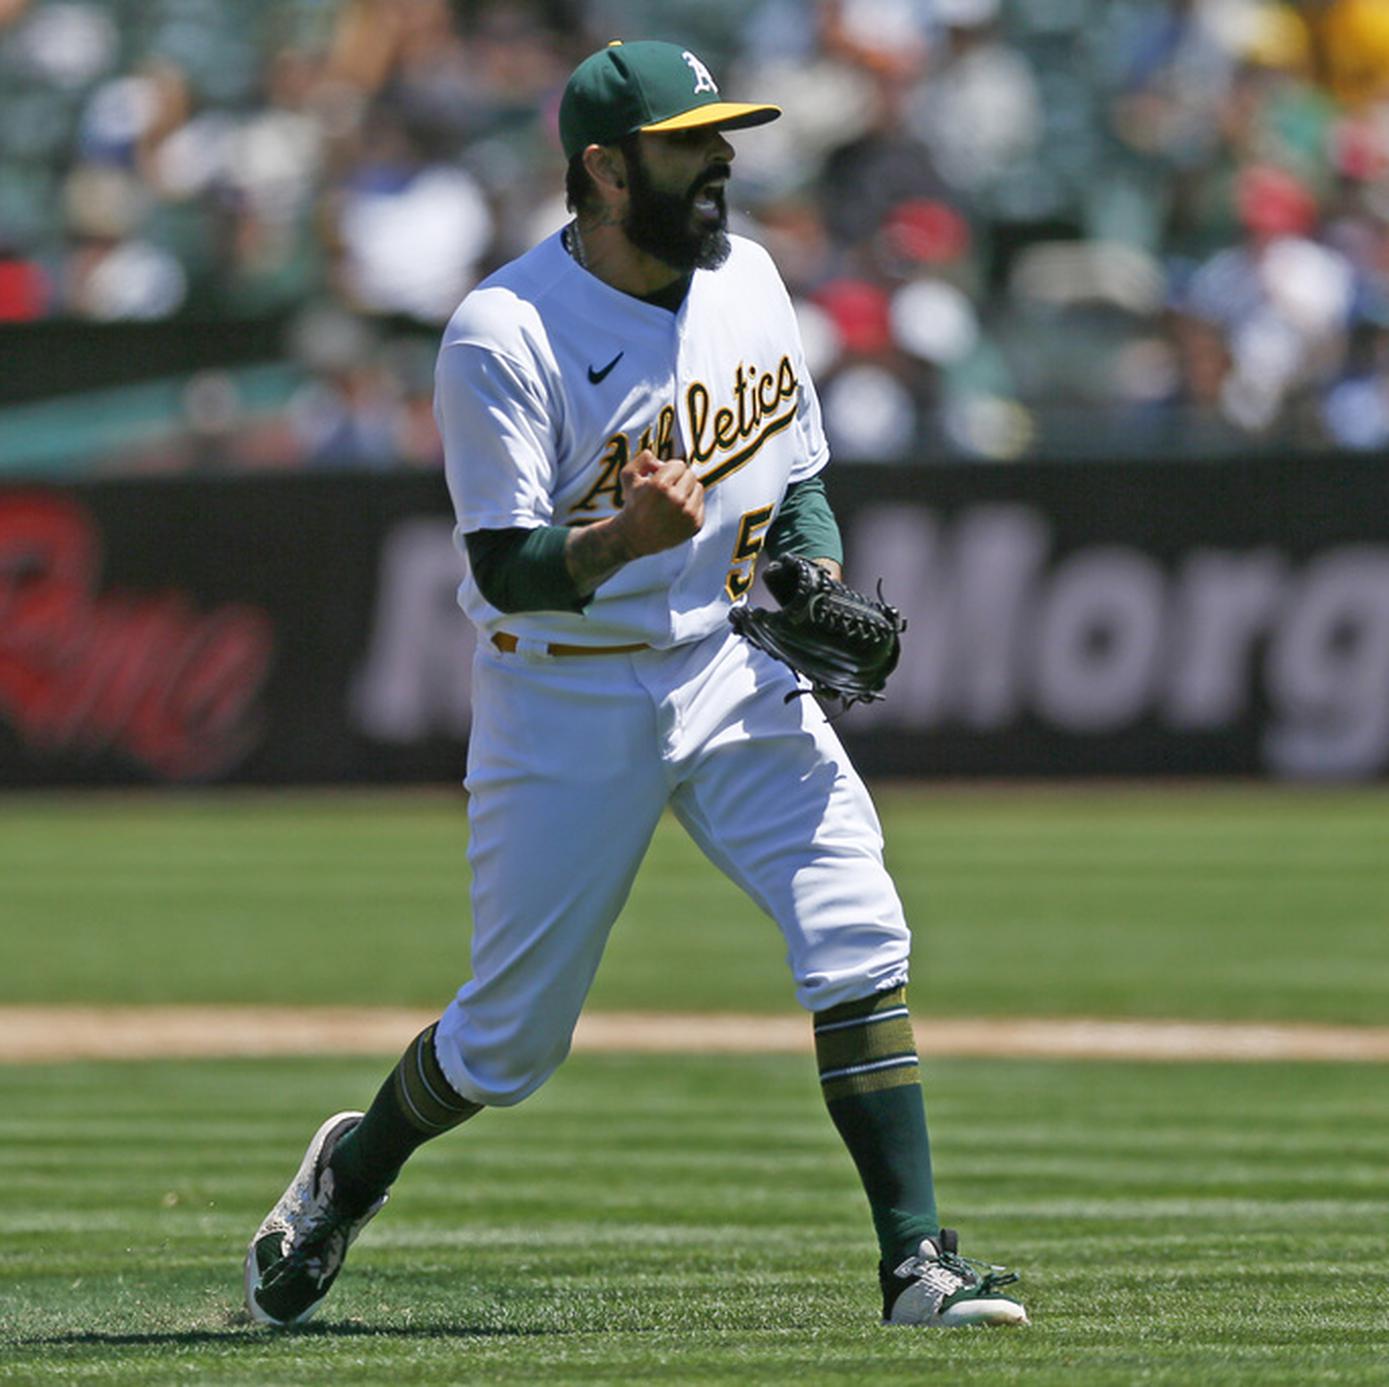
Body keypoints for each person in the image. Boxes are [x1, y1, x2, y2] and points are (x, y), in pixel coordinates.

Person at [243, 38, 1027, 1332]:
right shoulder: (503, 332)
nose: (719, 161)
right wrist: (622, 541)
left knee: (856, 925)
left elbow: (799, 476)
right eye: (688, 144)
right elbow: (503, 571)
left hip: (726, 662)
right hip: (566, 692)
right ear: (605, 170)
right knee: (506, 1043)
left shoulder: (751, 278)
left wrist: (815, 575)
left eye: (721, 137)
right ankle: (350, 1173)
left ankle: (914, 1264)